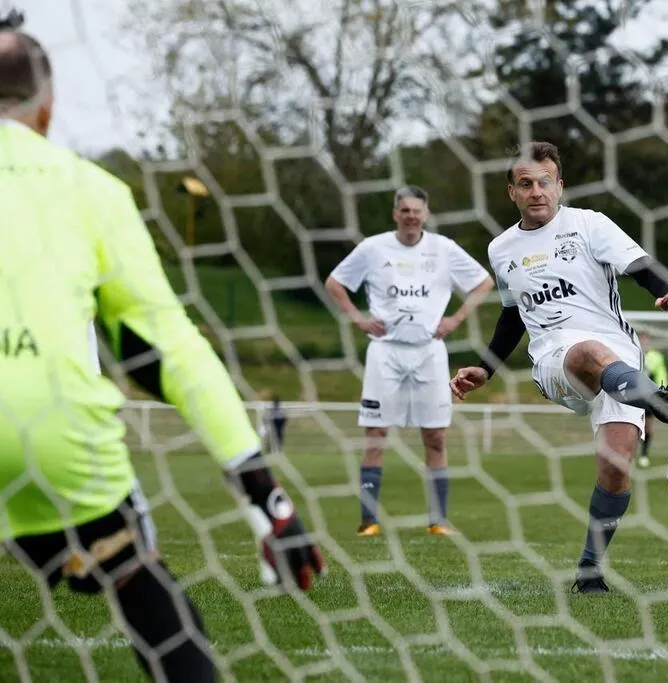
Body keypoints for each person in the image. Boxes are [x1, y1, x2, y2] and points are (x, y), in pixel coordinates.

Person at [0, 27, 325, 682]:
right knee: (140, 582)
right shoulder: (92, 191)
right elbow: (162, 348)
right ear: (47, 107)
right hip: (53, 434)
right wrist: (264, 492)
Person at [449, 141, 668, 593]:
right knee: (585, 351)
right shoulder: (502, 249)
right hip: (554, 358)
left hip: (619, 356)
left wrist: (665, 292)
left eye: (544, 182)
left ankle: (590, 571)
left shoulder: (589, 224)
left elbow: (639, 265)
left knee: (616, 468)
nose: (536, 191)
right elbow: (512, 314)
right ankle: (652, 397)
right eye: (525, 184)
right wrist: (487, 368)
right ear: (512, 192)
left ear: (560, 186)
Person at [325, 186, 493, 537]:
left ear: (426, 214)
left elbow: (483, 283)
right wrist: (358, 319)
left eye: (417, 210)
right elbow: (334, 283)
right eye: (405, 210)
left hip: (429, 351)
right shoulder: (373, 248)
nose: (411, 216)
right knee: (376, 434)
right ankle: (368, 522)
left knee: (435, 436)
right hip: (385, 351)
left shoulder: (444, 249)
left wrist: (455, 319)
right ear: (395, 214)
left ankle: (438, 521)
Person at [636, 331, 668, 468]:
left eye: (646, 341)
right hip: (631, 396)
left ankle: (644, 455)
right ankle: (628, 453)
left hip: (649, 396)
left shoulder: (656, 357)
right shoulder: (632, 354)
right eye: (642, 341)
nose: (644, 343)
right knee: (630, 425)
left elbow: (661, 375)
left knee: (647, 426)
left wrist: (662, 392)